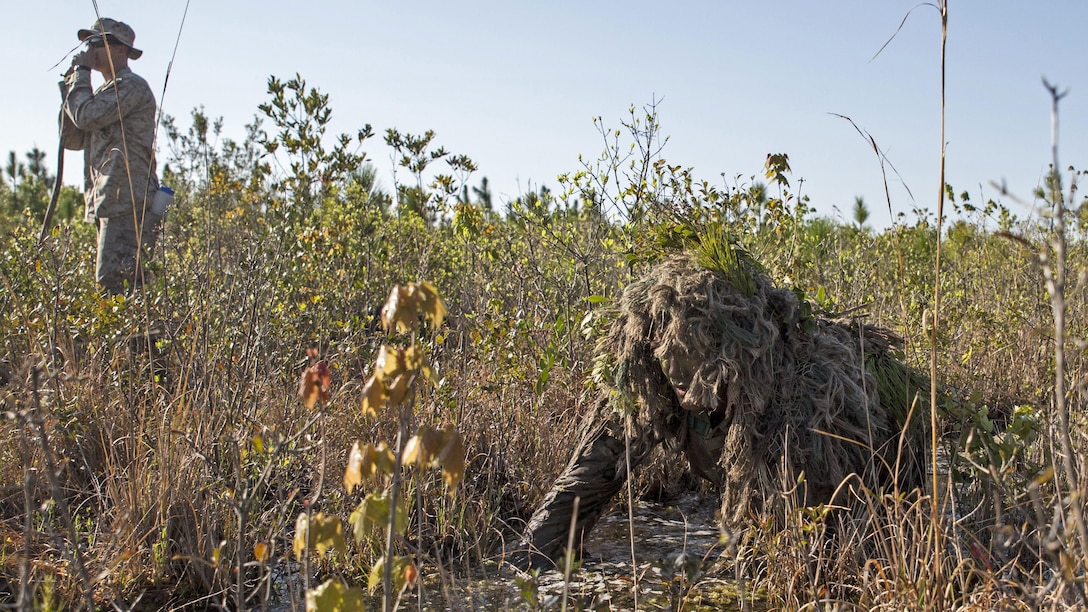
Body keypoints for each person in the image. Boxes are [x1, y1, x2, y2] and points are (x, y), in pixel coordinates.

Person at [514, 246, 931, 569]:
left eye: (692, 350)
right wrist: (524, 565)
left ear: (730, 354)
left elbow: (797, 539)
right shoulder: (650, 385)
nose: (676, 370)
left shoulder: (795, 405)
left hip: (871, 483)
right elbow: (584, 483)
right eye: (664, 349)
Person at [60, 18, 161, 295]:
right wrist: (72, 86)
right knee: (117, 291)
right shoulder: (104, 93)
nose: (89, 50)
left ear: (120, 49)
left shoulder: (131, 87)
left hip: (127, 203)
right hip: (109, 204)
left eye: (95, 43)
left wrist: (81, 74)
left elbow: (87, 116)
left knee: (116, 288)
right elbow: (73, 138)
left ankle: (139, 341)